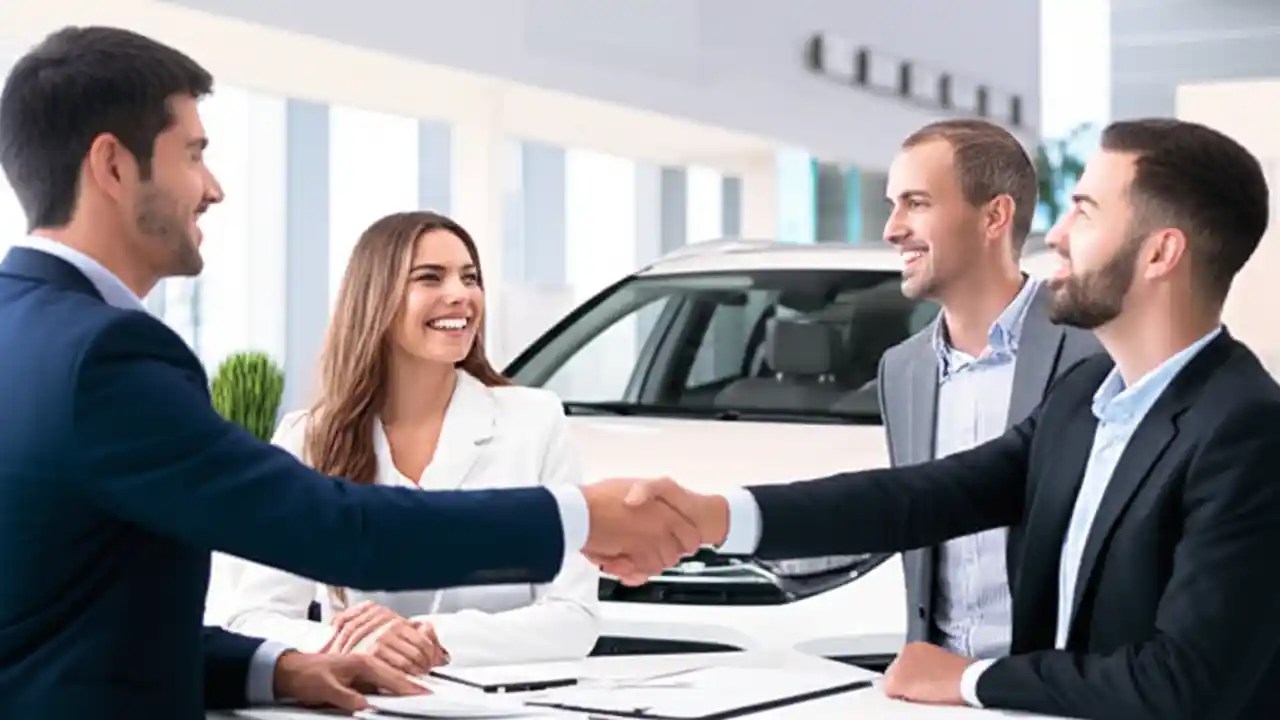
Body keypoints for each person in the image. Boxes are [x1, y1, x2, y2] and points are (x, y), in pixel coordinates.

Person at [0, 25, 698, 719]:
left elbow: (67, 618)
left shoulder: (22, 328)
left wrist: (278, 667)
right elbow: (338, 530)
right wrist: (579, 516)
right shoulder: (109, 354)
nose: (212, 188)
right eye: (194, 154)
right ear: (113, 166)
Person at [626, 118, 1280, 720]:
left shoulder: (1247, 430)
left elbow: (1187, 681)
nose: (1054, 234)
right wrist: (710, 516)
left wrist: (969, 679)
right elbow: (924, 497)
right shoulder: (1087, 398)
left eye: (1084, 212)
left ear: (1160, 254)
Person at [216, 211, 599, 670]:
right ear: (376, 298)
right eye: (430, 278)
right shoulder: (309, 438)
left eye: (469, 278)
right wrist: (360, 645)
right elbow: (254, 616)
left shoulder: (535, 420)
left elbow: (575, 617)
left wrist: (428, 638)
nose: (460, 295)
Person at [878, 119, 1099, 659]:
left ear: (994, 216)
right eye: (893, 204)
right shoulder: (901, 370)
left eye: (916, 203)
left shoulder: (1094, 355)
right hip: (935, 684)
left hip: (1057, 687)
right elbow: (907, 515)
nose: (892, 228)